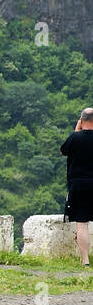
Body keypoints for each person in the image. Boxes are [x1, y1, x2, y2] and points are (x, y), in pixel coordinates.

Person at [60, 107, 93, 267]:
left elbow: (63, 151)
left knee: (82, 224)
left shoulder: (75, 138)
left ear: (81, 120)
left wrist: (76, 130)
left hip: (79, 185)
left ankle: (85, 261)